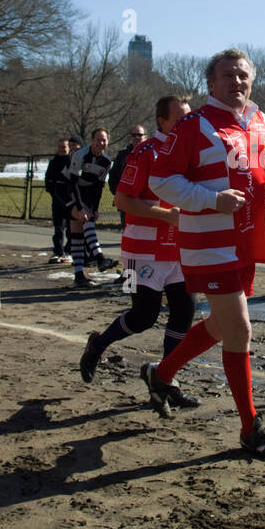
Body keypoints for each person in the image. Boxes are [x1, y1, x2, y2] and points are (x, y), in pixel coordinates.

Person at [147, 48, 265, 460]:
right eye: (227, 76)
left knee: (219, 324)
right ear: (211, 84)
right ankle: (251, 429)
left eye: (243, 75)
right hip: (208, 244)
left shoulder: (261, 121)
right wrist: (210, 200)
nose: (237, 82)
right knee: (240, 329)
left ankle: (160, 376)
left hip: (246, 243)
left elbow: (262, 171)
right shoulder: (194, 125)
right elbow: (161, 181)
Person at [79, 98, 195, 387]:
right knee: (144, 316)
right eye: (180, 119)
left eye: (189, 119)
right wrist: (166, 215)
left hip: (179, 249)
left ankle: (165, 379)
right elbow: (122, 200)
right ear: (162, 121)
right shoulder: (145, 153)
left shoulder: (190, 152)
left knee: (184, 312)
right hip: (139, 251)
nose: (186, 125)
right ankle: (98, 343)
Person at [64, 128, 115, 288]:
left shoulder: (106, 162)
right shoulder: (80, 155)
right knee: (84, 218)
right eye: (98, 140)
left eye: (104, 140)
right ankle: (99, 258)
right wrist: (80, 207)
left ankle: (79, 275)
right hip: (68, 191)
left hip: (86, 193)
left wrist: (95, 208)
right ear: (92, 140)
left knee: (78, 233)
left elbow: (98, 188)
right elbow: (72, 183)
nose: (101, 143)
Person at [107, 124, 148, 231]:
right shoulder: (122, 156)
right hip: (126, 202)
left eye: (139, 135)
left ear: (146, 137)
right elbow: (113, 177)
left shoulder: (152, 155)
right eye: (134, 135)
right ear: (130, 138)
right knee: (127, 231)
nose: (137, 137)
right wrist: (119, 194)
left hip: (144, 202)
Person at [44, 136, 75, 264]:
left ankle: (68, 251)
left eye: (64, 147)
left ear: (68, 148)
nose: (62, 149)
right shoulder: (53, 162)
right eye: (60, 147)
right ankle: (58, 251)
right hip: (56, 199)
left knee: (71, 228)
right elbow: (48, 179)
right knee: (58, 228)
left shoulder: (72, 161)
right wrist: (52, 190)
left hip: (69, 200)